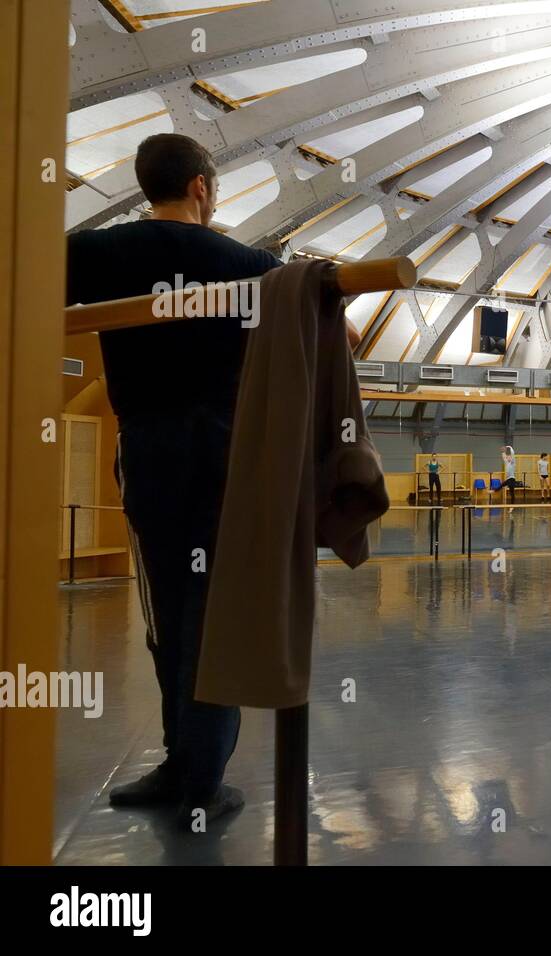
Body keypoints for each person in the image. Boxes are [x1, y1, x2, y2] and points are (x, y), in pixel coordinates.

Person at [64, 133, 332, 830]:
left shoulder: (94, 253)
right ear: (203, 189)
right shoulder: (248, 265)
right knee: (211, 612)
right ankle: (199, 775)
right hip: (223, 455)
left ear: (146, 183)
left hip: (148, 448)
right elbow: (330, 327)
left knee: (166, 615)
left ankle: (184, 764)